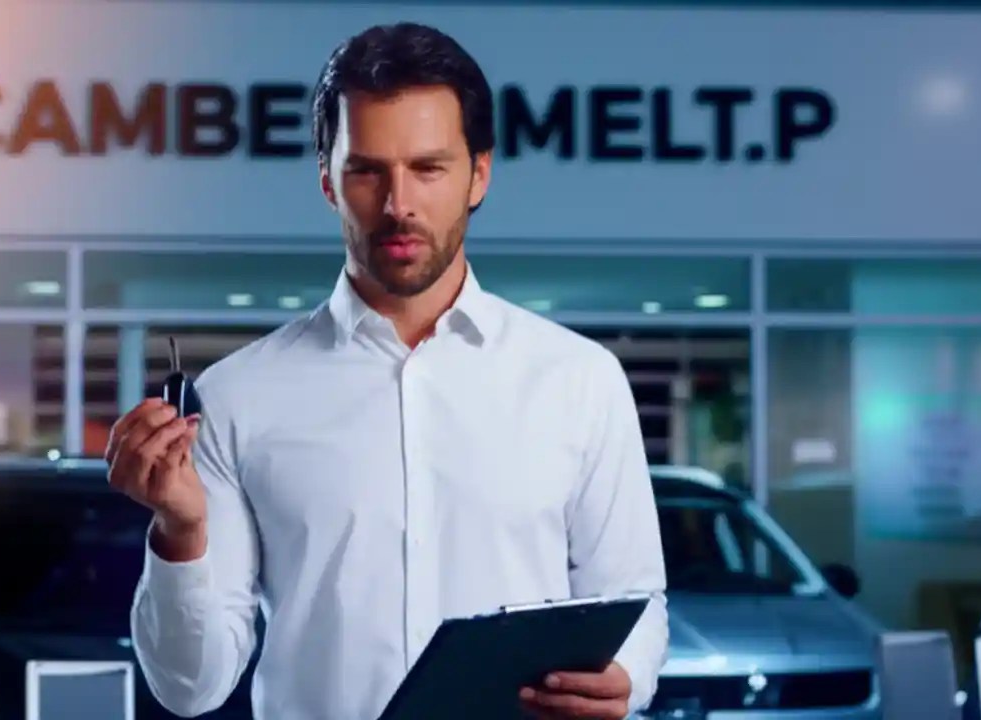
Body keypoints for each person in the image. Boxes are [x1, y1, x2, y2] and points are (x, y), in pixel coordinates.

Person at [107, 21, 669, 720]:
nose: (398, 204)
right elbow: (190, 689)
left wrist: (626, 674)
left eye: (428, 168)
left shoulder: (581, 381)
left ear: (479, 174)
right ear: (327, 181)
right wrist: (181, 533)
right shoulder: (235, 398)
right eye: (367, 170)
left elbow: (636, 600)